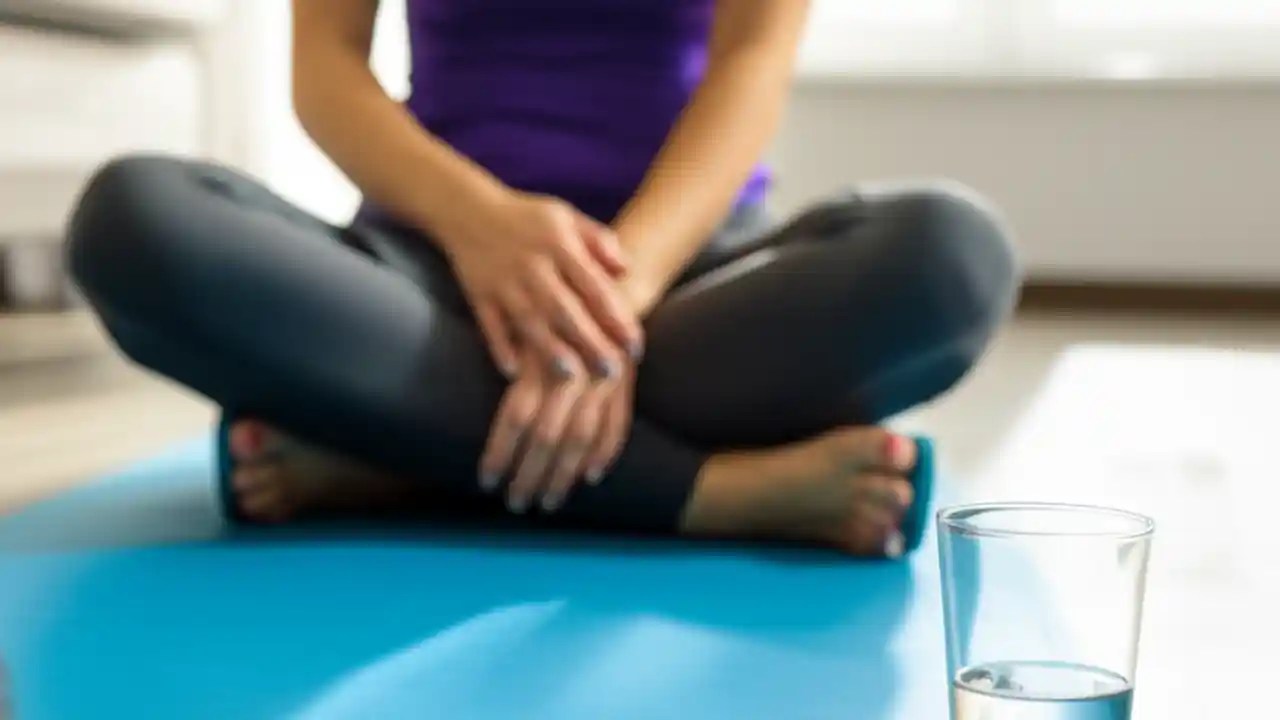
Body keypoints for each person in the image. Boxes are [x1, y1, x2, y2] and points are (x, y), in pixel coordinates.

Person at [65, 0, 1018, 558]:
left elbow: (754, 61)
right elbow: (326, 70)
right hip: (428, 275)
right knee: (133, 221)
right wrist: (481, 228)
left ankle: (399, 460)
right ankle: (703, 491)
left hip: (688, 280)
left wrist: (617, 295)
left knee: (951, 259)